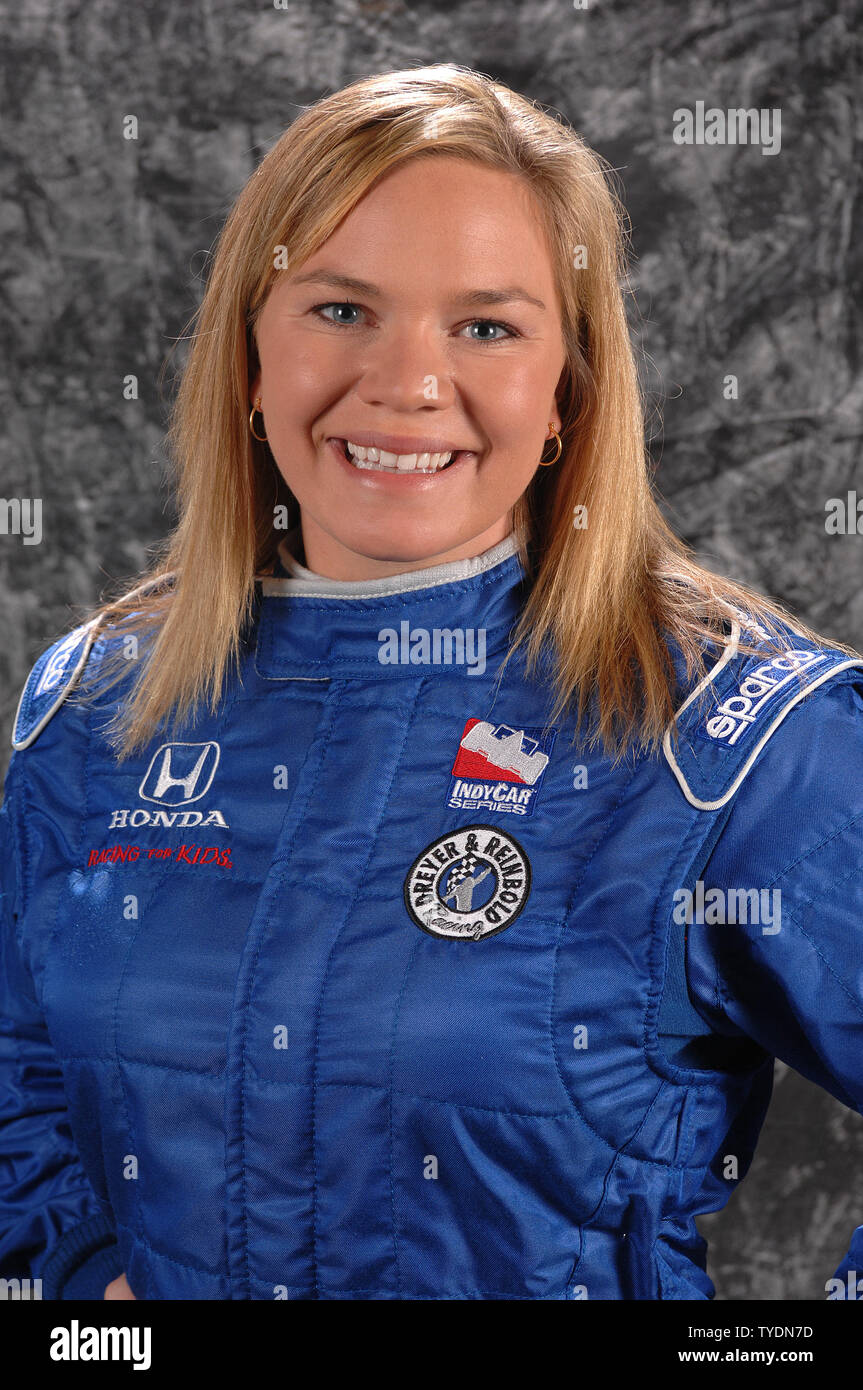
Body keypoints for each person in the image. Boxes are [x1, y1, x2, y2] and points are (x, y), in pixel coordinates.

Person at [1, 63, 861, 1303]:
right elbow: (21, 1077)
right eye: (340, 310)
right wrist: (87, 1293)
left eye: (485, 326)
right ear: (250, 351)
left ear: (566, 388)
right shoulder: (96, 710)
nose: (406, 382)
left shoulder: (730, 734)